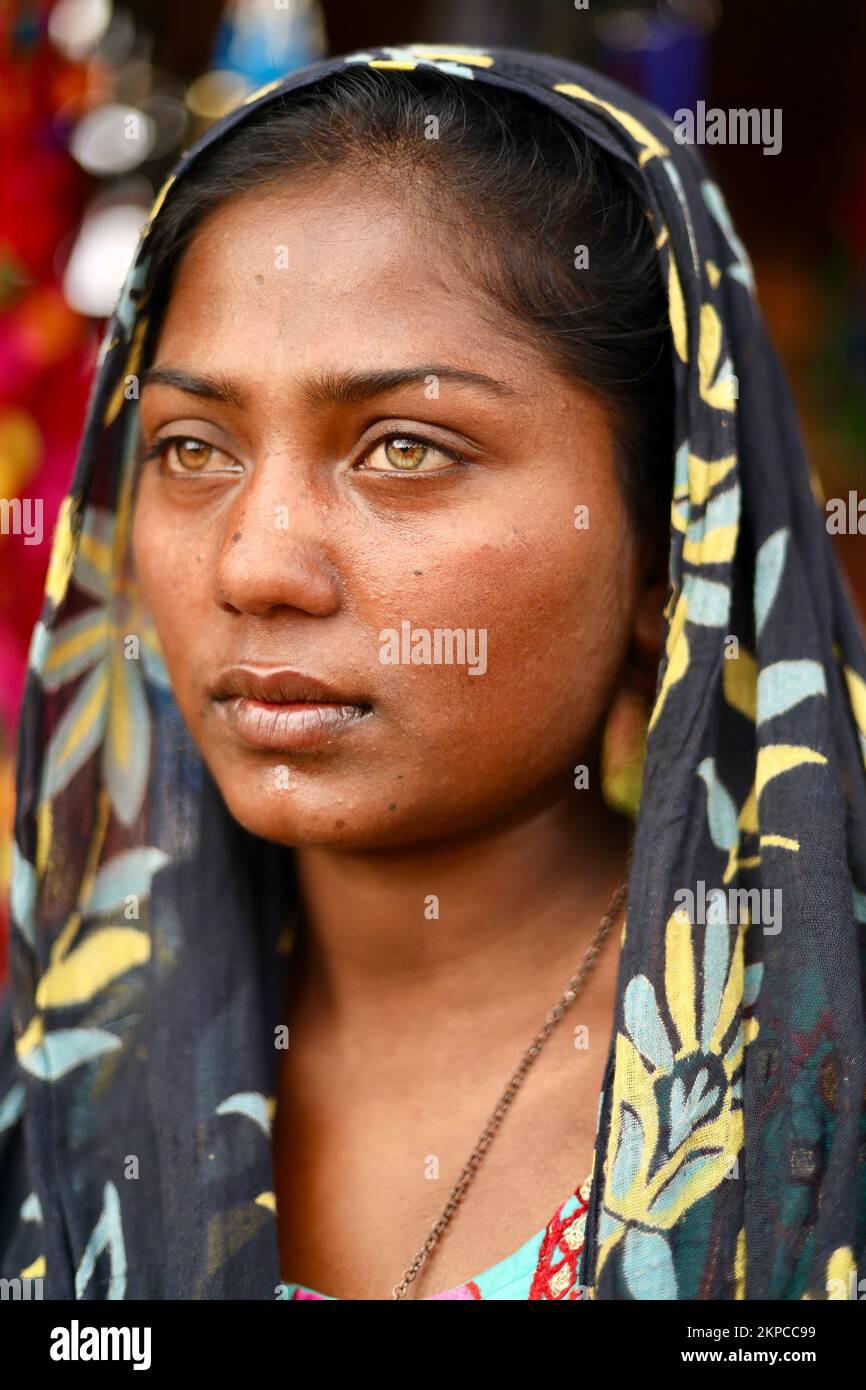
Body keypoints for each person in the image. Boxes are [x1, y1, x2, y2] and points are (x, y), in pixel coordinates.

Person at [1, 42, 864, 1302]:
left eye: (403, 447)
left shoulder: (815, 1100)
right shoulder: (53, 1089)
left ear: (672, 539)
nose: (255, 563)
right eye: (192, 447)